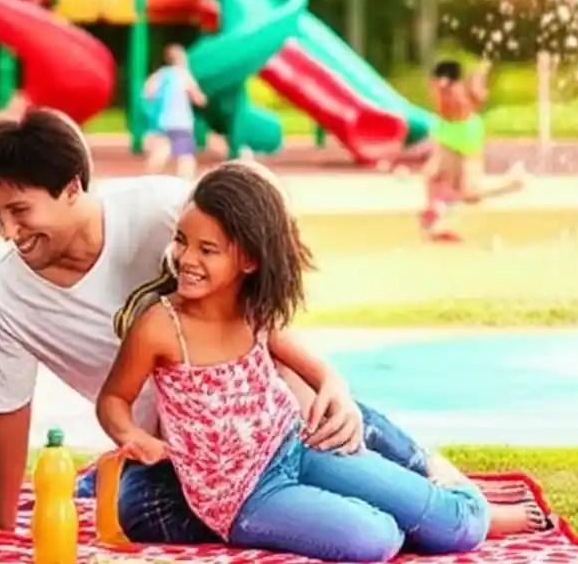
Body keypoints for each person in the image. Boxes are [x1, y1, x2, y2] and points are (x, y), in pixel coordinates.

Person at [0, 109, 543, 542]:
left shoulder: (172, 212)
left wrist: (329, 384)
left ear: (71, 189)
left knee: (332, 419)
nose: (7, 233)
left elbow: (260, 313)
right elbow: (15, 413)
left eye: (20, 212)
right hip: (183, 465)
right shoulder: (3, 298)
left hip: (268, 421)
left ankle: (443, 492)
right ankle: (379, 508)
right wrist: (7, 524)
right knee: (136, 511)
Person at [98, 163, 494, 560]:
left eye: (208, 249)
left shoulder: (253, 311)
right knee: (375, 540)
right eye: (182, 241)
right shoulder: (160, 326)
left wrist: (334, 389)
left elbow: (319, 371)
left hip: (298, 446)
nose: (186, 258)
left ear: (248, 261)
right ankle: (388, 511)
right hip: (244, 499)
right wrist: (135, 438)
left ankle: (444, 484)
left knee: (461, 527)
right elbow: (113, 399)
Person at [421, 59, 526, 242]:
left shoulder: (460, 92)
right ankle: (437, 218)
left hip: (465, 136)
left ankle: (512, 184)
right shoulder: (447, 91)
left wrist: (483, 70)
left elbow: (477, 95)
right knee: (434, 176)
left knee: (468, 192)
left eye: (439, 85)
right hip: (447, 132)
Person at [144, 44, 206, 179]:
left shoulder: (161, 74)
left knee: (162, 149)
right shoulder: (183, 74)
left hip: (164, 120)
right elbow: (198, 97)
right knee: (186, 156)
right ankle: (186, 183)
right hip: (181, 121)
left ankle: (149, 177)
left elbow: (148, 92)